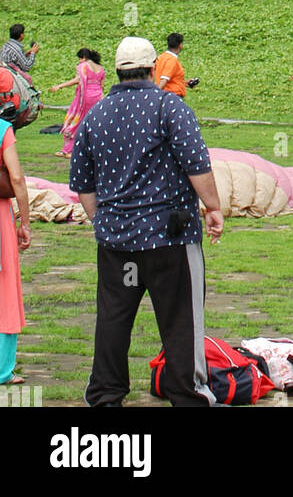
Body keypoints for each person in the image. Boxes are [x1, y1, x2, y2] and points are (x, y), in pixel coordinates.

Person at [69, 36, 223, 407]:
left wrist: (102, 222)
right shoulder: (170, 107)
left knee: (113, 319)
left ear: (116, 72)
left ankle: (106, 394)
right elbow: (196, 164)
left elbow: (83, 184)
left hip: (117, 244)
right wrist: (214, 207)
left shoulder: (95, 116)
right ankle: (187, 394)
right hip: (171, 239)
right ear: (154, 68)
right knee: (181, 320)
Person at [0, 115, 30, 385]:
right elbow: (17, 178)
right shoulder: (2, 129)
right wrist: (26, 222)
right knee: (5, 293)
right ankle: (2, 369)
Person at [50, 48, 105, 157]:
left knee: (75, 122)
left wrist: (60, 86)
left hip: (85, 98)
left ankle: (69, 149)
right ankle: (90, 150)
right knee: (92, 122)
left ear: (84, 57)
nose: (79, 61)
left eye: (80, 58)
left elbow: (77, 80)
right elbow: (102, 85)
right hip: (98, 97)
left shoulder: (83, 67)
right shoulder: (101, 68)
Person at [153, 33, 198, 98]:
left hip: (165, 94)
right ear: (180, 45)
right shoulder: (172, 60)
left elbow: (168, 80)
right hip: (172, 96)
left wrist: (184, 83)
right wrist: (155, 95)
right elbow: (164, 79)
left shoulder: (161, 57)